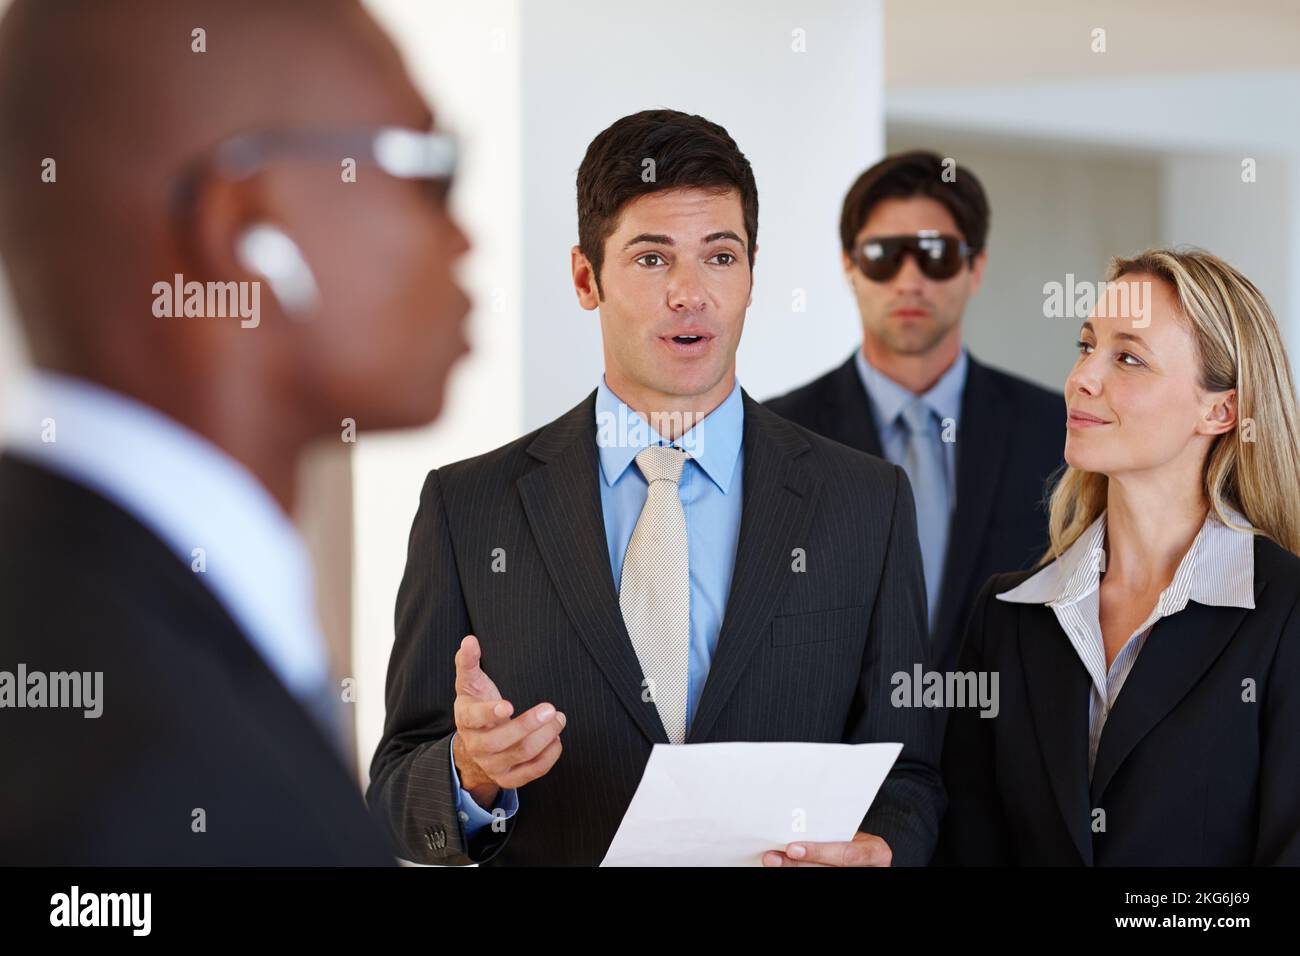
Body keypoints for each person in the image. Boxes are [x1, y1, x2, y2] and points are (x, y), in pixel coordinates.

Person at [369, 109, 943, 867]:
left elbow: (911, 776)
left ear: (751, 274)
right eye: (651, 259)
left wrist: (883, 850)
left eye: (720, 256)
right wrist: (468, 773)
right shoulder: (468, 509)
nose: (690, 293)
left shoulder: (867, 502)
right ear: (586, 278)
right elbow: (396, 798)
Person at [0, 0, 470, 863]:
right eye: (429, 173)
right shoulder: (137, 788)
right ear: (246, 238)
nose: (462, 238)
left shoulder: (88, 617)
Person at [940, 249, 1300, 865]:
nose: (1082, 377)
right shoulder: (1006, 616)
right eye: (1087, 346)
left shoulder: (1287, 614)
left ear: (1220, 410)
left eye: (1129, 358)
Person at [766, 152, 1064, 675]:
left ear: (976, 267)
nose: (909, 280)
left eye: (936, 254)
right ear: (849, 266)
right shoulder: (775, 436)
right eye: (883, 254)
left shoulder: (1056, 430)